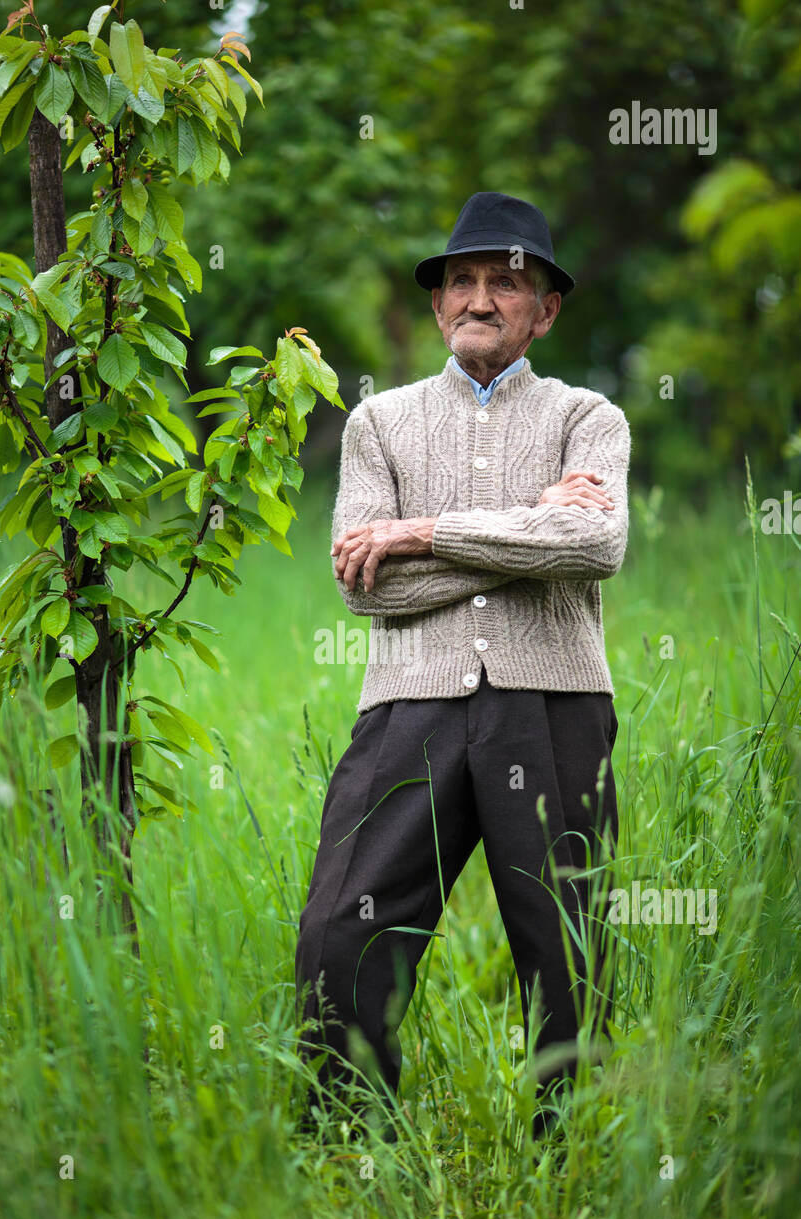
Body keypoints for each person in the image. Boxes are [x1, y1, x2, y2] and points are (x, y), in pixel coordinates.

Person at [295, 191, 630, 1141]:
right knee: (340, 934)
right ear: (440, 303)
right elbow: (368, 589)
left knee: (568, 947)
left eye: (506, 282)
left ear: (546, 308)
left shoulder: (590, 417)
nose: (480, 299)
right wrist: (533, 526)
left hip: (557, 705)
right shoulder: (379, 422)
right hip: (409, 703)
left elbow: (596, 544)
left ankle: (572, 1155)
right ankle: (347, 1145)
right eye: (462, 282)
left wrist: (423, 533)